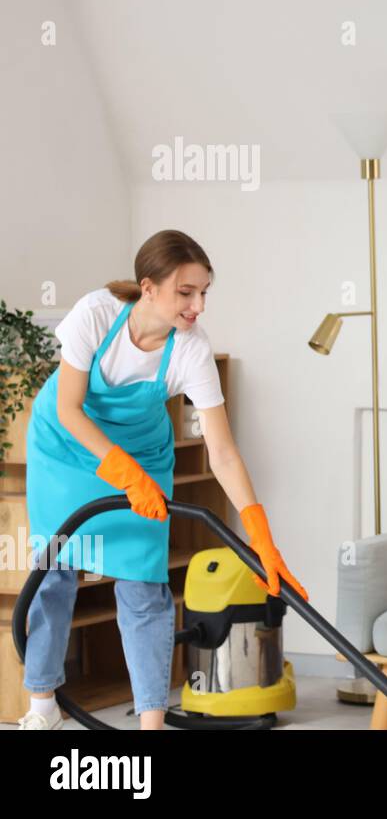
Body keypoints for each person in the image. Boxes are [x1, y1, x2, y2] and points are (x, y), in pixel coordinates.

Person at [19, 229, 307, 730]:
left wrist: (260, 534)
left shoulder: (191, 350)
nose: (198, 306)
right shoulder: (97, 312)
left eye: (204, 293)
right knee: (55, 573)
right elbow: (68, 408)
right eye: (186, 292)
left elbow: (221, 451)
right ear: (148, 287)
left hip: (144, 454)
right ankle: (43, 706)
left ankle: (151, 724)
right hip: (65, 446)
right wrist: (120, 474)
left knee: (143, 583)